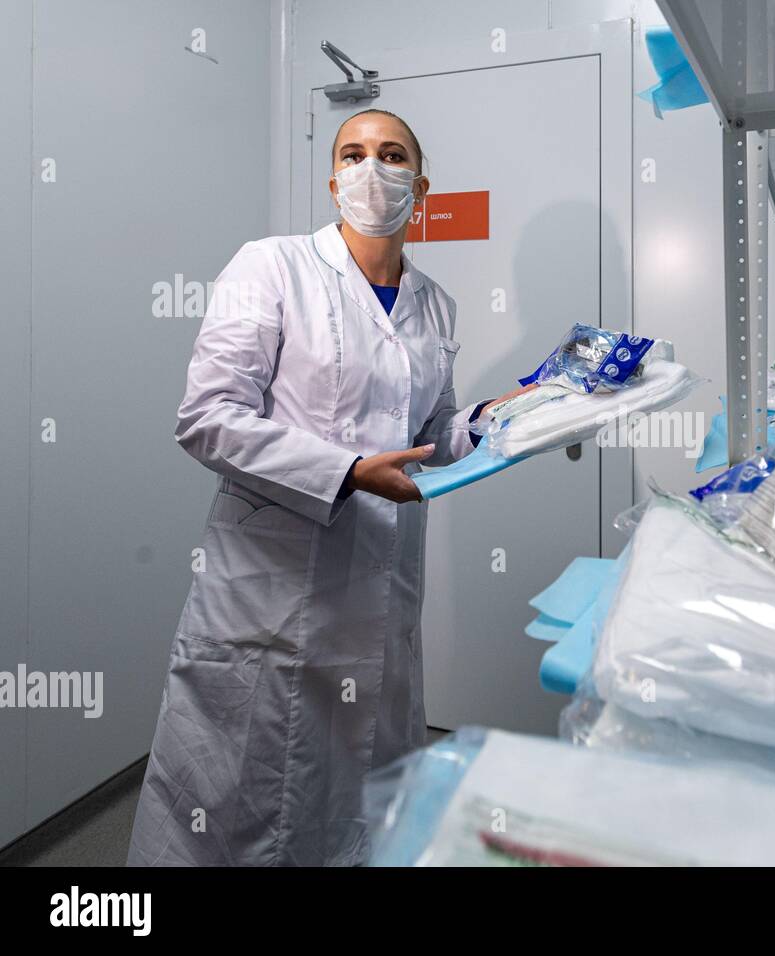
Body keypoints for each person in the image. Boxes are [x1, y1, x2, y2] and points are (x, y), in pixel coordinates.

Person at [127, 109, 529, 866]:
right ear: (333, 177)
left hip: (377, 595)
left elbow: (430, 432)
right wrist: (344, 473)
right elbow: (208, 417)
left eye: (391, 155)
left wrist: (492, 417)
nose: (371, 169)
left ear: (422, 185)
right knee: (234, 802)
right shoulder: (271, 266)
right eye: (354, 153)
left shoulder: (435, 304)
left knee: (354, 804)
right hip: (268, 599)